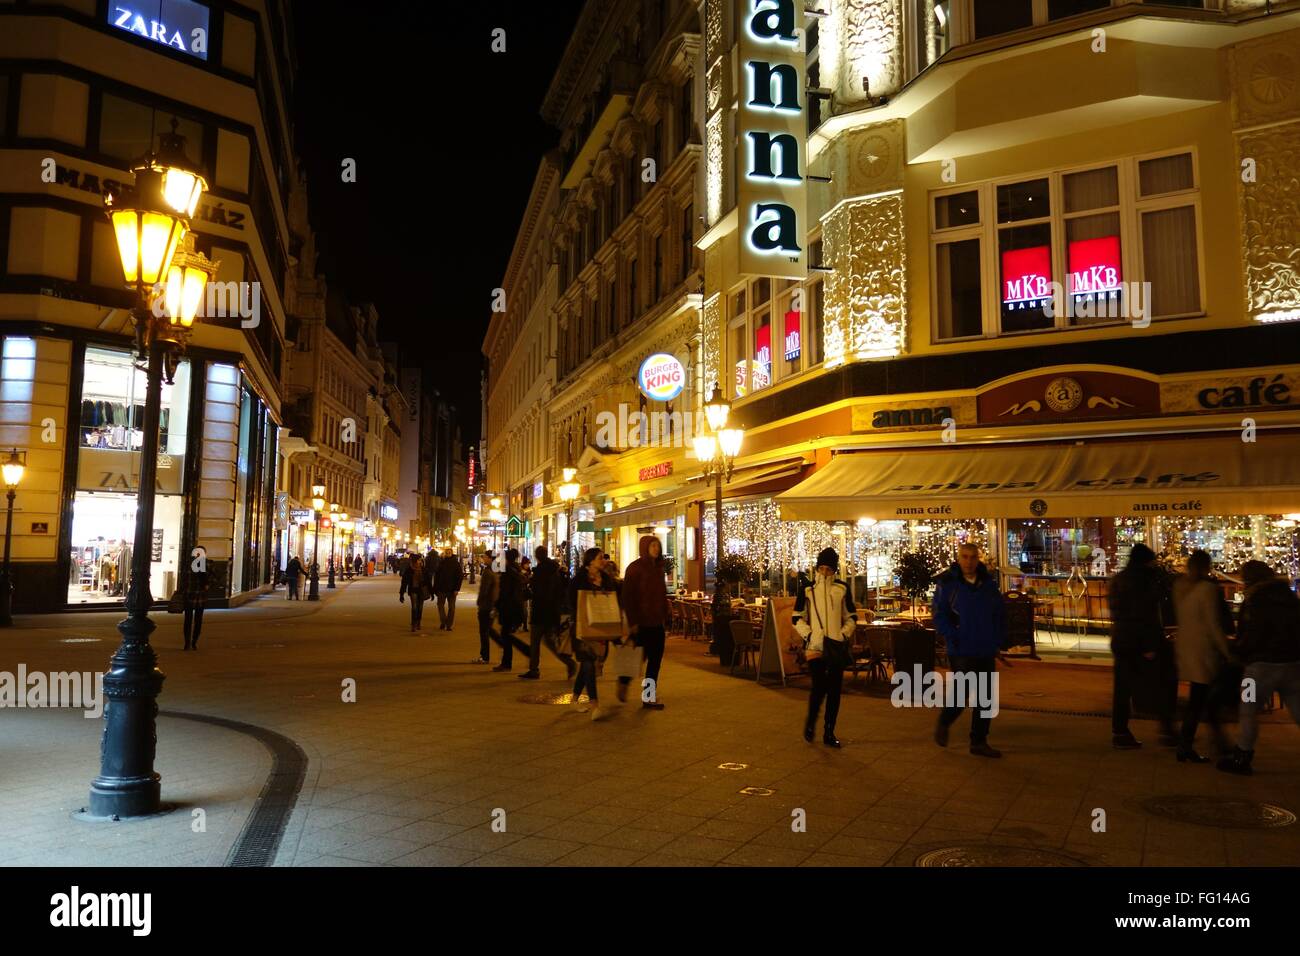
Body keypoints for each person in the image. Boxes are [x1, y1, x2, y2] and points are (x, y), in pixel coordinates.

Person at [1218, 561, 1300, 775]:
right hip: (1292, 664)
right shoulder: (1289, 597)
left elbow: (1251, 634)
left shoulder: (1254, 601)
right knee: (1297, 707)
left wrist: (1237, 652)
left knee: (1247, 709)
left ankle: (1242, 756)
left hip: (1258, 668)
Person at [932, 543, 1006, 758]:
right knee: (962, 693)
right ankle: (945, 722)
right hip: (961, 648)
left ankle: (979, 741)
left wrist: (998, 640)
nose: (969, 561)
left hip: (984, 647)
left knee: (985, 697)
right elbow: (939, 613)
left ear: (978, 558)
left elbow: (999, 613)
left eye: (973, 557)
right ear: (958, 558)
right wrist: (952, 634)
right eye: (965, 557)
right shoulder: (947, 583)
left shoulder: (988, 584)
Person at [1108, 543, 1177, 749]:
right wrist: (1150, 644)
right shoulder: (1144, 580)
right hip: (1142, 640)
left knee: (1122, 689)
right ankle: (1167, 730)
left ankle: (1120, 731)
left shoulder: (1119, 579)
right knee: (1163, 682)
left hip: (1121, 638)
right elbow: (1145, 612)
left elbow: (1117, 610)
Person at [1172, 550, 1234, 762]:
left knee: (1200, 699)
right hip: (1204, 651)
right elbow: (1213, 624)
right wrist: (1226, 651)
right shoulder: (1206, 590)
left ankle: (1198, 744)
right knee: (1202, 700)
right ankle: (1197, 744)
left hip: (1188, 648)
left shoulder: (1180, 587)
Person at [792, 547, 856, 748]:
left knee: (835, 690)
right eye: (821, 568)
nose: (825, 572)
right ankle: (811, 724)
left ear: (834, 569)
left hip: (835, 646)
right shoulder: (808, 590)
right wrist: (808, 634)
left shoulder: (842, 589)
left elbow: (851, 616)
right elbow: (796, 617)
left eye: (829, 568)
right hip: (815, 646)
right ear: (817, 568)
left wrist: (843, 634)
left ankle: (829, 730)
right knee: (819, 688)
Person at [568, 547, 623, 721]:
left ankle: (574, 699)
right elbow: (570, 600)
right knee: (588, 663)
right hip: (582, 628)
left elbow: (615, 601)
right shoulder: (578, 579)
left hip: (601, 628)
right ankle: (595, 705)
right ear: (590, 560)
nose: (604, 560)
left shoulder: (606, 579)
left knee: (587, 666)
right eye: (600, 558)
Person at [619, 534, 669, 709]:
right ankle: (623, 682)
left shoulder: (659, 568)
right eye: (652, 546)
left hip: (657, 623)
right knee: (636, 659)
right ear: (645, 548)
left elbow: (662, 595)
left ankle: (648, 697)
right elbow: (627, 596)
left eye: (658, 545)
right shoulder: (635, 568)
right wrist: (632, 621)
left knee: (655, 662)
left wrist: (666, 616)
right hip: (641, 623)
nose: (656, 549)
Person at [519, 545, 576, 681]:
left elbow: (537, 592)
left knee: (535, 643)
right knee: (551, 643)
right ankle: (569, 662)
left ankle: (534, 670)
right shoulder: (555, 571)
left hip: (540, 611)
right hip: (552, 613)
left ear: (537, 556)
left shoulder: (539, 572)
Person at [492, 549, 532, 671]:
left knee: (506, 635)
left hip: (509, 608)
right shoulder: (516, 570)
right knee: (506, 635)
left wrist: (497, 606)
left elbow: (505, 592)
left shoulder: (508, 572)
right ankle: (508, 661)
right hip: (514, 607)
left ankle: (516, 656)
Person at [474, 552, 498, 664]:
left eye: (485, 557)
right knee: (487, 630)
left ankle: (485, 656)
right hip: (492, 604)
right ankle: (485, 654)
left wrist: (479, 601)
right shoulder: (496, 570)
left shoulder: (488, 572)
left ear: (489, 558)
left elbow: (484, 589)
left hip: (486, 605)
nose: (483, 558)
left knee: (484, 631)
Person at [182, 550, 209, 651]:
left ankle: (187, 642)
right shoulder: (204, 564)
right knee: (198, 621)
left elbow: (183, 579)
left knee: (187, 620)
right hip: (199, 597)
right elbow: (207, 580)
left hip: (189, 596)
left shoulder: (187, 564)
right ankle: (194, 642)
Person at [400, 552, 431, 632]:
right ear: (415, 561)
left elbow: (428, 581)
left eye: (420, 560)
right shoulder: (409, 570)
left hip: (421, 590)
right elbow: (404, 582)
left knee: (420, 607)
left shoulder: (423, 569)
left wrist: (431, 592)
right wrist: (402, 593)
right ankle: (413, 624)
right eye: (419, 560)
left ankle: (418, 622)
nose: (420, 561)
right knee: (414, 607)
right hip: (413, 589)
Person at [433, 549, 463, 630]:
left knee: (452, 608)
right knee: (440, 606)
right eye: (447, 553)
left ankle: (449, 625)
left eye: (449, 553)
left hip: (452, 590)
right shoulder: (441, 563)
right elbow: (437, 576)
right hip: (441, 589)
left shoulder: (456, 564)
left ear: (452, 553)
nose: (448, 554)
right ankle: (443, 621)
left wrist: (457, 589)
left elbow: (459, 577)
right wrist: (435, 588)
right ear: (445, 554)